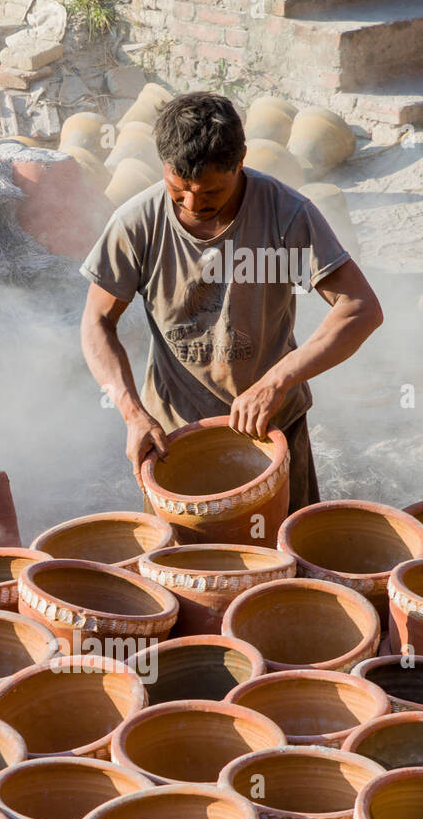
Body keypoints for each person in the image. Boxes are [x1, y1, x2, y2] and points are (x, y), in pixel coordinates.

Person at [80, 92, 383, 514]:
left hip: (272, 430)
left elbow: (361, 308)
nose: (192, 205)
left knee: (283, 565)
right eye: (177, 190)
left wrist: (275, 383)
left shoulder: (286, 214)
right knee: (186, 572)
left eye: (210, 193)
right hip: (175, 442)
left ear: (240, 161)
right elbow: (96, 321)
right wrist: (132, 413)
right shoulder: (138, 223)